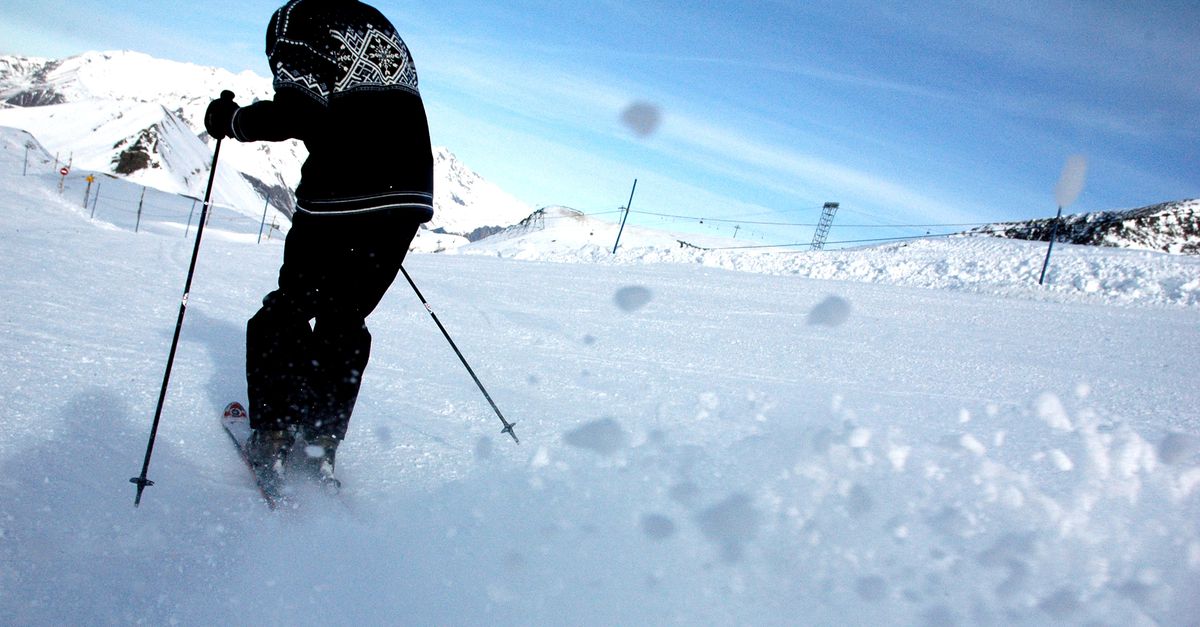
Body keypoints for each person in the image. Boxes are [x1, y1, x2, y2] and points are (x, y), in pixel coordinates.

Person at [204, 0, 433, 491]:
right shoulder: (377, 21)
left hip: (342, 193)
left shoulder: (296, 19)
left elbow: (298, 111)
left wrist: (232, 121)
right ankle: (320, 441)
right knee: (344, 316)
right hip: (409, 197)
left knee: (287, 310)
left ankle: (275, 438)